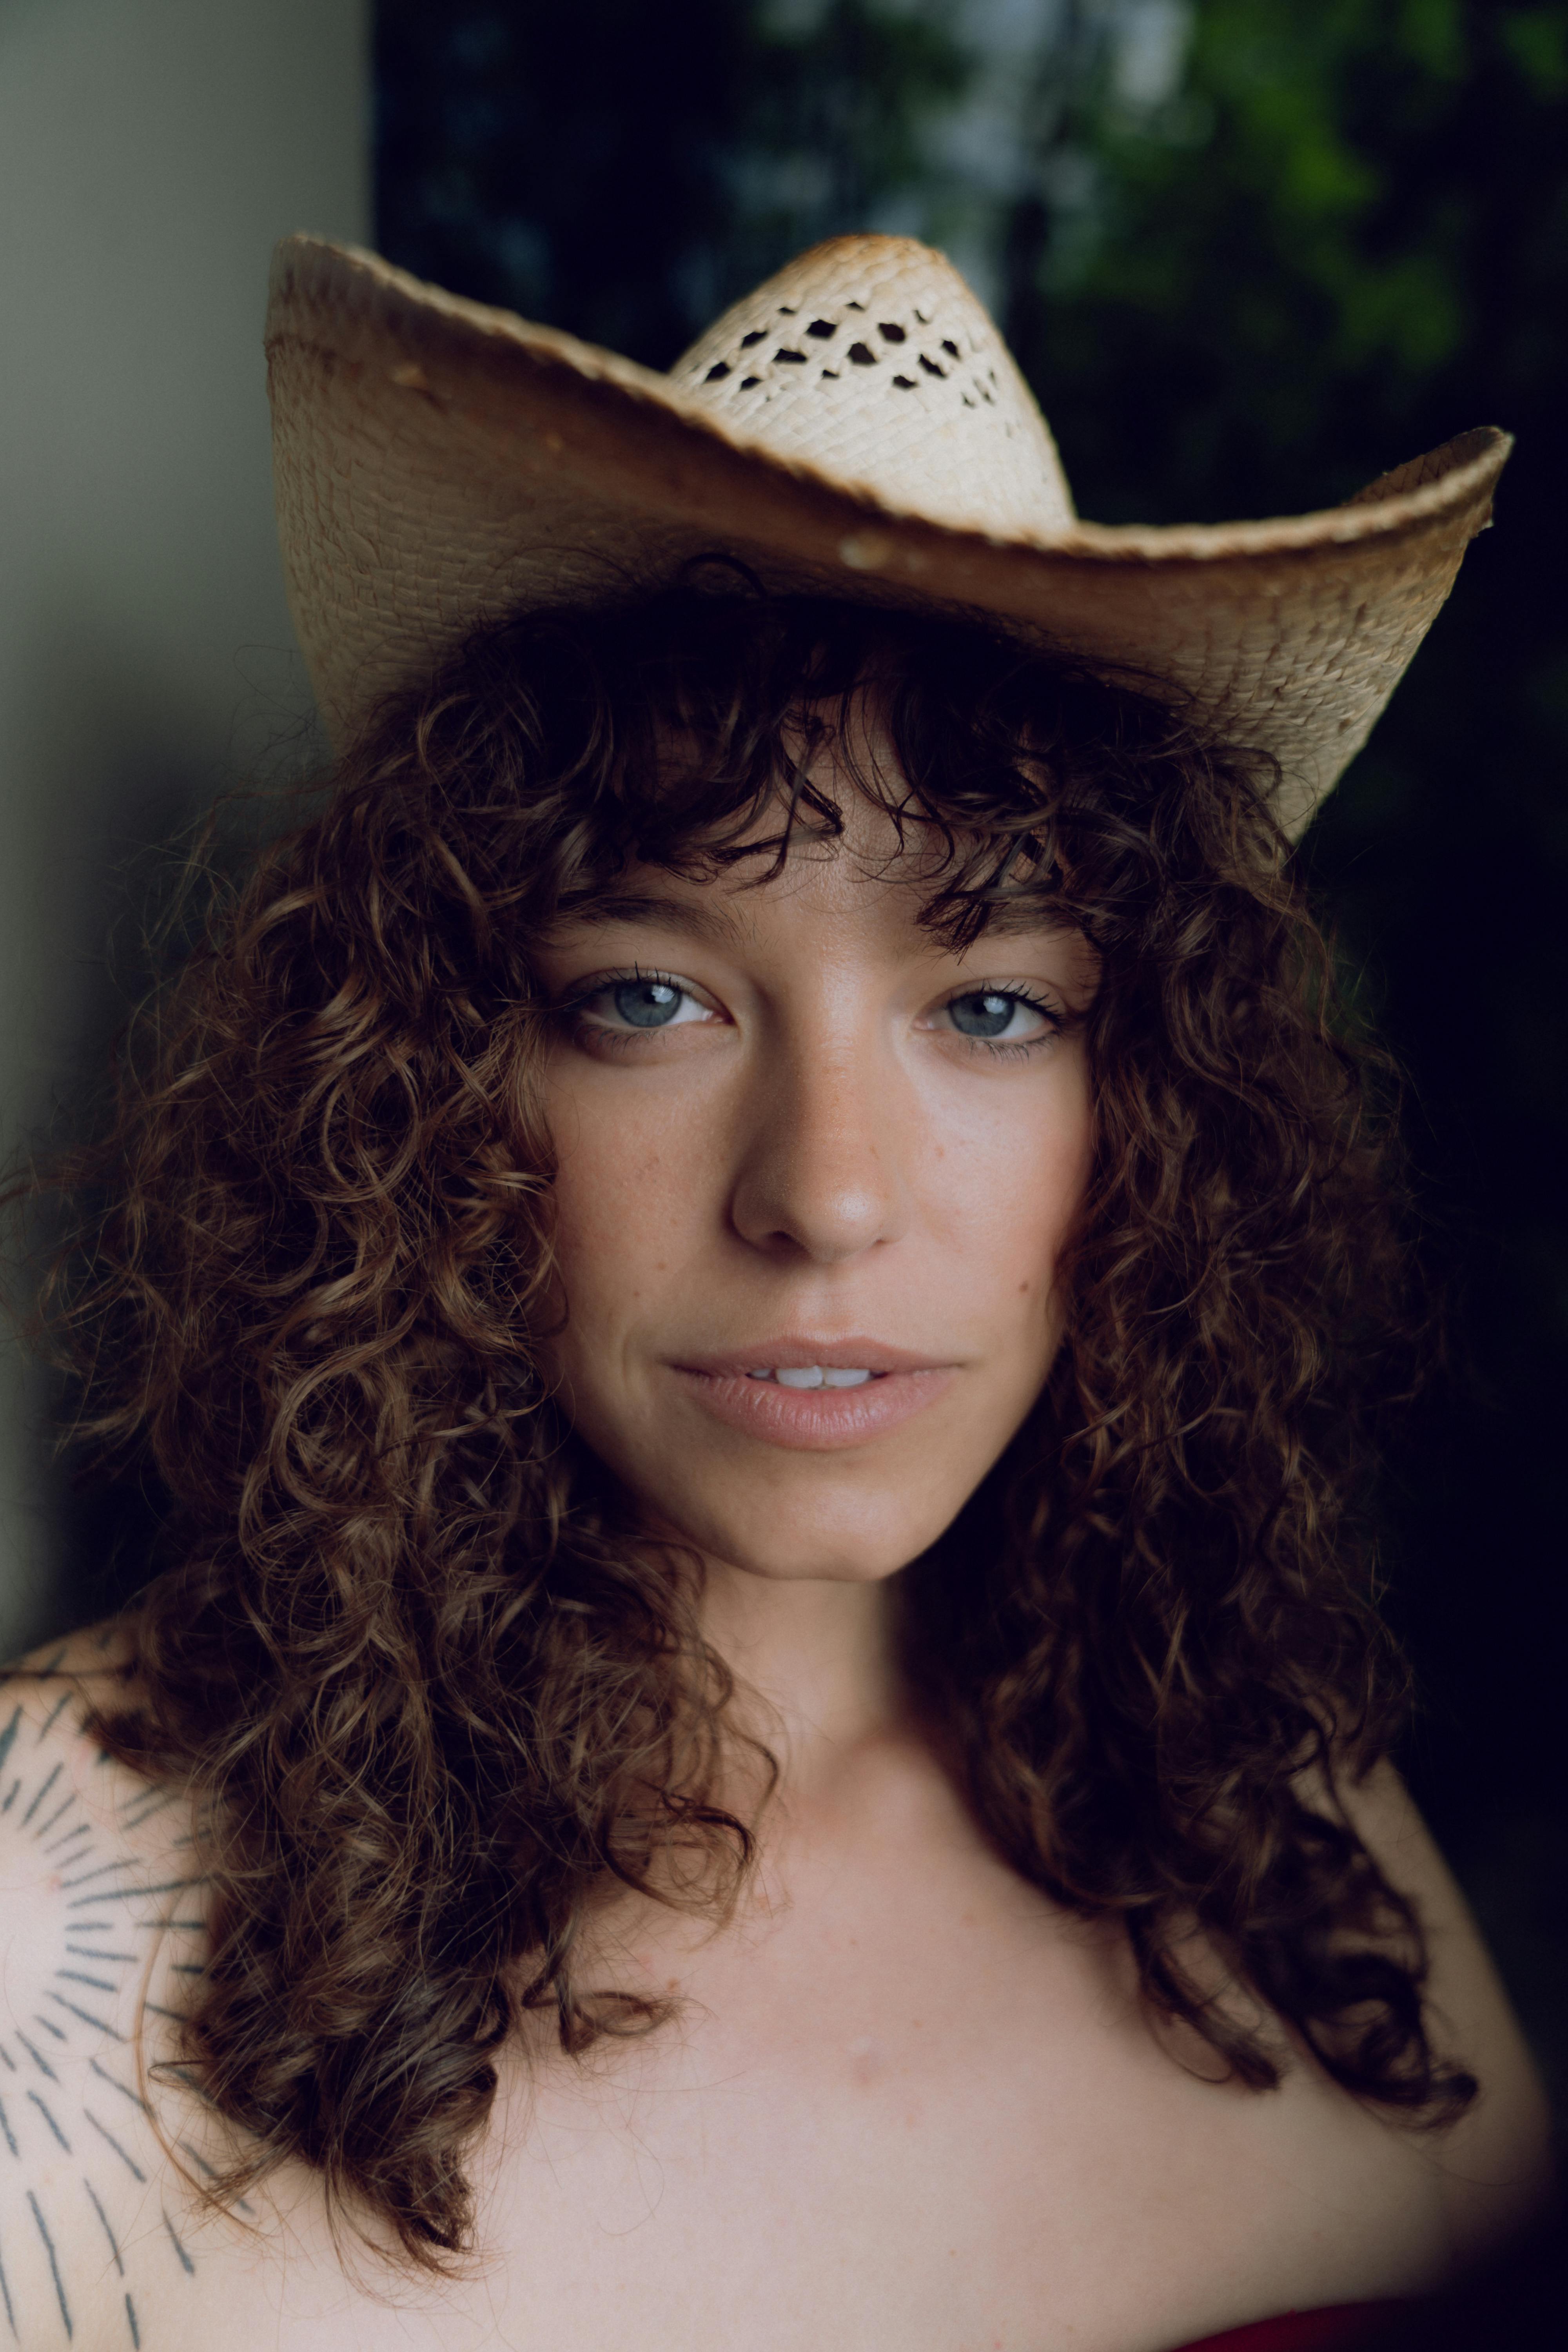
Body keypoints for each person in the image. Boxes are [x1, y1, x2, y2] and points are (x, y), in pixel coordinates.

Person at [0, 234, 1551, 2352]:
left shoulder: (1278, 1830)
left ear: (1158, 1103)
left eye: (993, 1006)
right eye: (649, 997)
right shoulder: (44, 1922)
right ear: (439, 1085)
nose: (825, 1196)